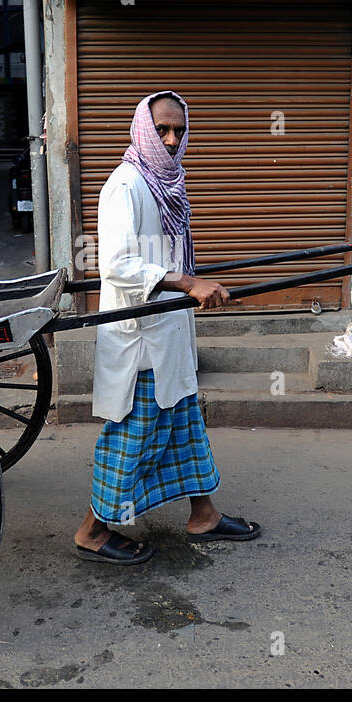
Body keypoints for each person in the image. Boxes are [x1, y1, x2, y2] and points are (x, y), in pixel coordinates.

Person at [73, 91, 262, 565]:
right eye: (162, 129)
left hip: (169, 328)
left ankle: (204, 514)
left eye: (179, 129)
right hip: (139, 335)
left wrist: (189, 284)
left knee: (183, 423)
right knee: (137, 433)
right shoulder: (128, 185)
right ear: (142, 129)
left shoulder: (169, 181)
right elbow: (116, 265)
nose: (173, 138)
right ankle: (92, 531)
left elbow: (169, 257)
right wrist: (188, 281)